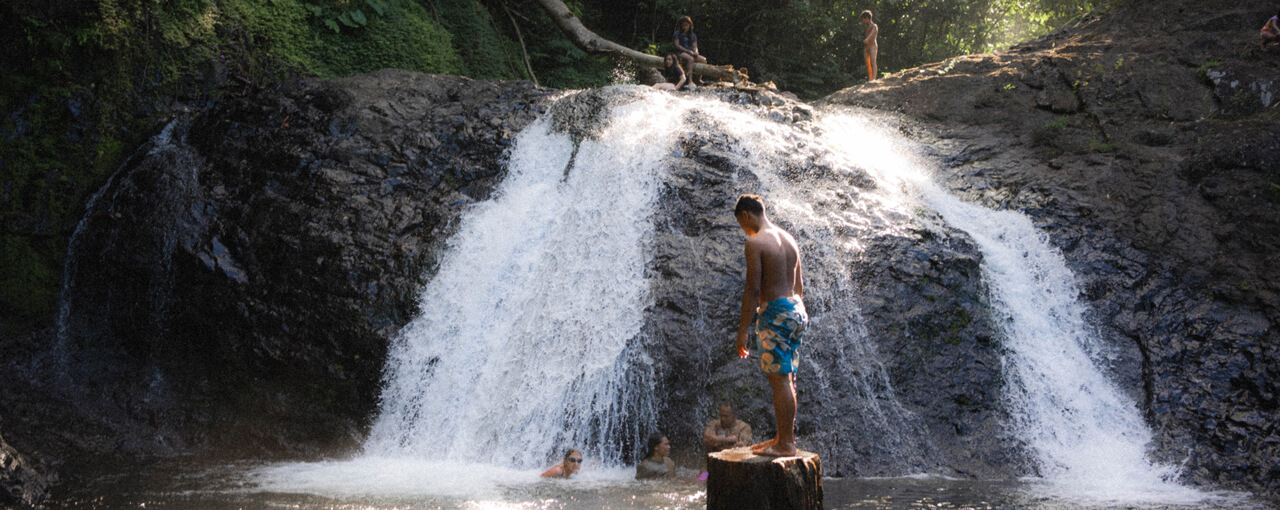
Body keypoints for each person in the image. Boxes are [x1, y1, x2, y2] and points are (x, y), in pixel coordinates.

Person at [733, 194, 807, 458]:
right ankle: (783, 436)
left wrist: (743, 330)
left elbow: (752, 289)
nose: (745, 230)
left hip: (775, 311)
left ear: (746, 216)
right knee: (786, 377)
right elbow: (798, 285)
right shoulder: (789, 239)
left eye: (742, 225)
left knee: (779, 381)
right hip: (796, 309)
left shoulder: (756, 242)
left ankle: (786, 444)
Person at [673, 16, 708, 85]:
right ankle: (690, 81)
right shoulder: (677, 33)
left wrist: (696, 52)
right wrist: (687, 51)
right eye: (683, 25)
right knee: (690, 59)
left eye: (686, 25)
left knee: (703, 60)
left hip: (691, 53)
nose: (685, 27)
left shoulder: (693, 35)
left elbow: (695, 46)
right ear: (681, 25)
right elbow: (677, 46)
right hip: (681, 53)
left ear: (690, 25)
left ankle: (698, 79)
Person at [860, 10, 879, 81]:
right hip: (867, 47)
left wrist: (867, 39)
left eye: (863, 19)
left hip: (873, 46)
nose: (862, 21)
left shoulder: (874, 26)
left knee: (873, 62)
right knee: (867, 64)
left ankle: (874, 78)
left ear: (867, 18)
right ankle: (870, 78)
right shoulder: (867, 27)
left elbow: (873, 34)